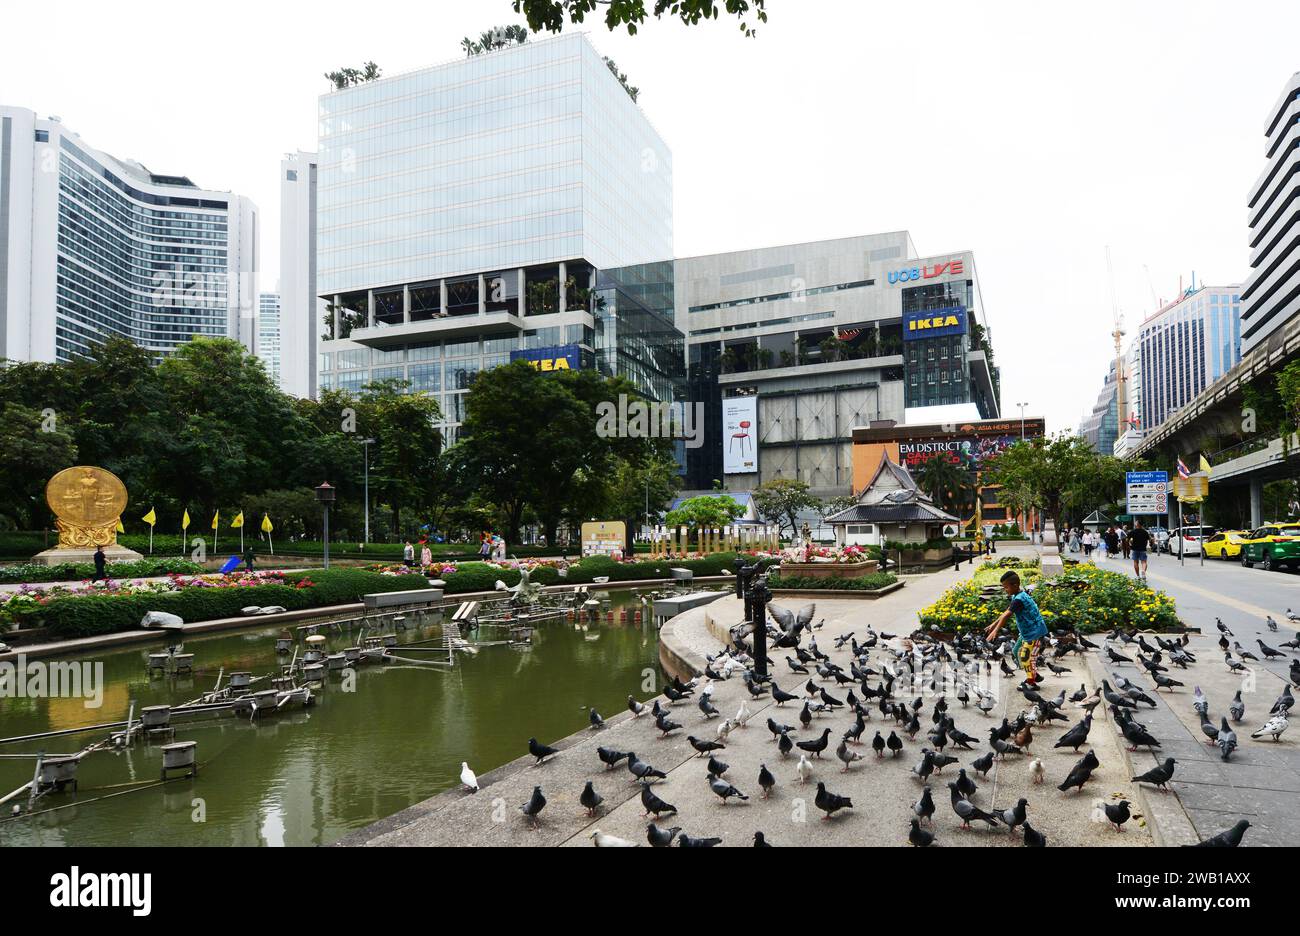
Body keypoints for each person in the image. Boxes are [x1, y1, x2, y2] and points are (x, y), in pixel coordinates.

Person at [985, 570, 1049, 686]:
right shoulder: (1017, 595)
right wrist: (993, 624)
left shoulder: (1019, 599)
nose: (1005, 590)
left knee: (1025, 657)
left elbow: (1007, 615)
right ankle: (1034, 675)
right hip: (1027, 632)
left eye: (1006, 587)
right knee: (1016, 651)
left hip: (1033, 632)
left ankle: (1031, 683)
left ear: (1015, 585)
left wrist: (996, 630)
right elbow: (1006, 612)